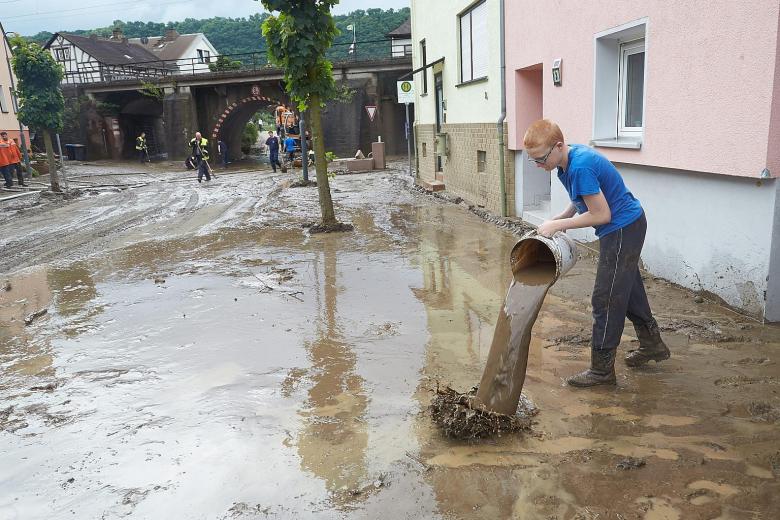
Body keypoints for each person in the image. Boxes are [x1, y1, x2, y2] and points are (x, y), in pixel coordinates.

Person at [522, 119, 669, 388]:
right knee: (627, 289)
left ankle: (602, 371)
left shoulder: (580, 166)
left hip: (623, 228)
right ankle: (652, 344)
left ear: (558, 146)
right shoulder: (566, 162)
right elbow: (581, 197)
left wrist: (558, 226)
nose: (538, 165)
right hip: (627, 225)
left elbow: (602, 214)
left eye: (541, 159)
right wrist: (562, 216)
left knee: (606, 298)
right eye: (533, 160)